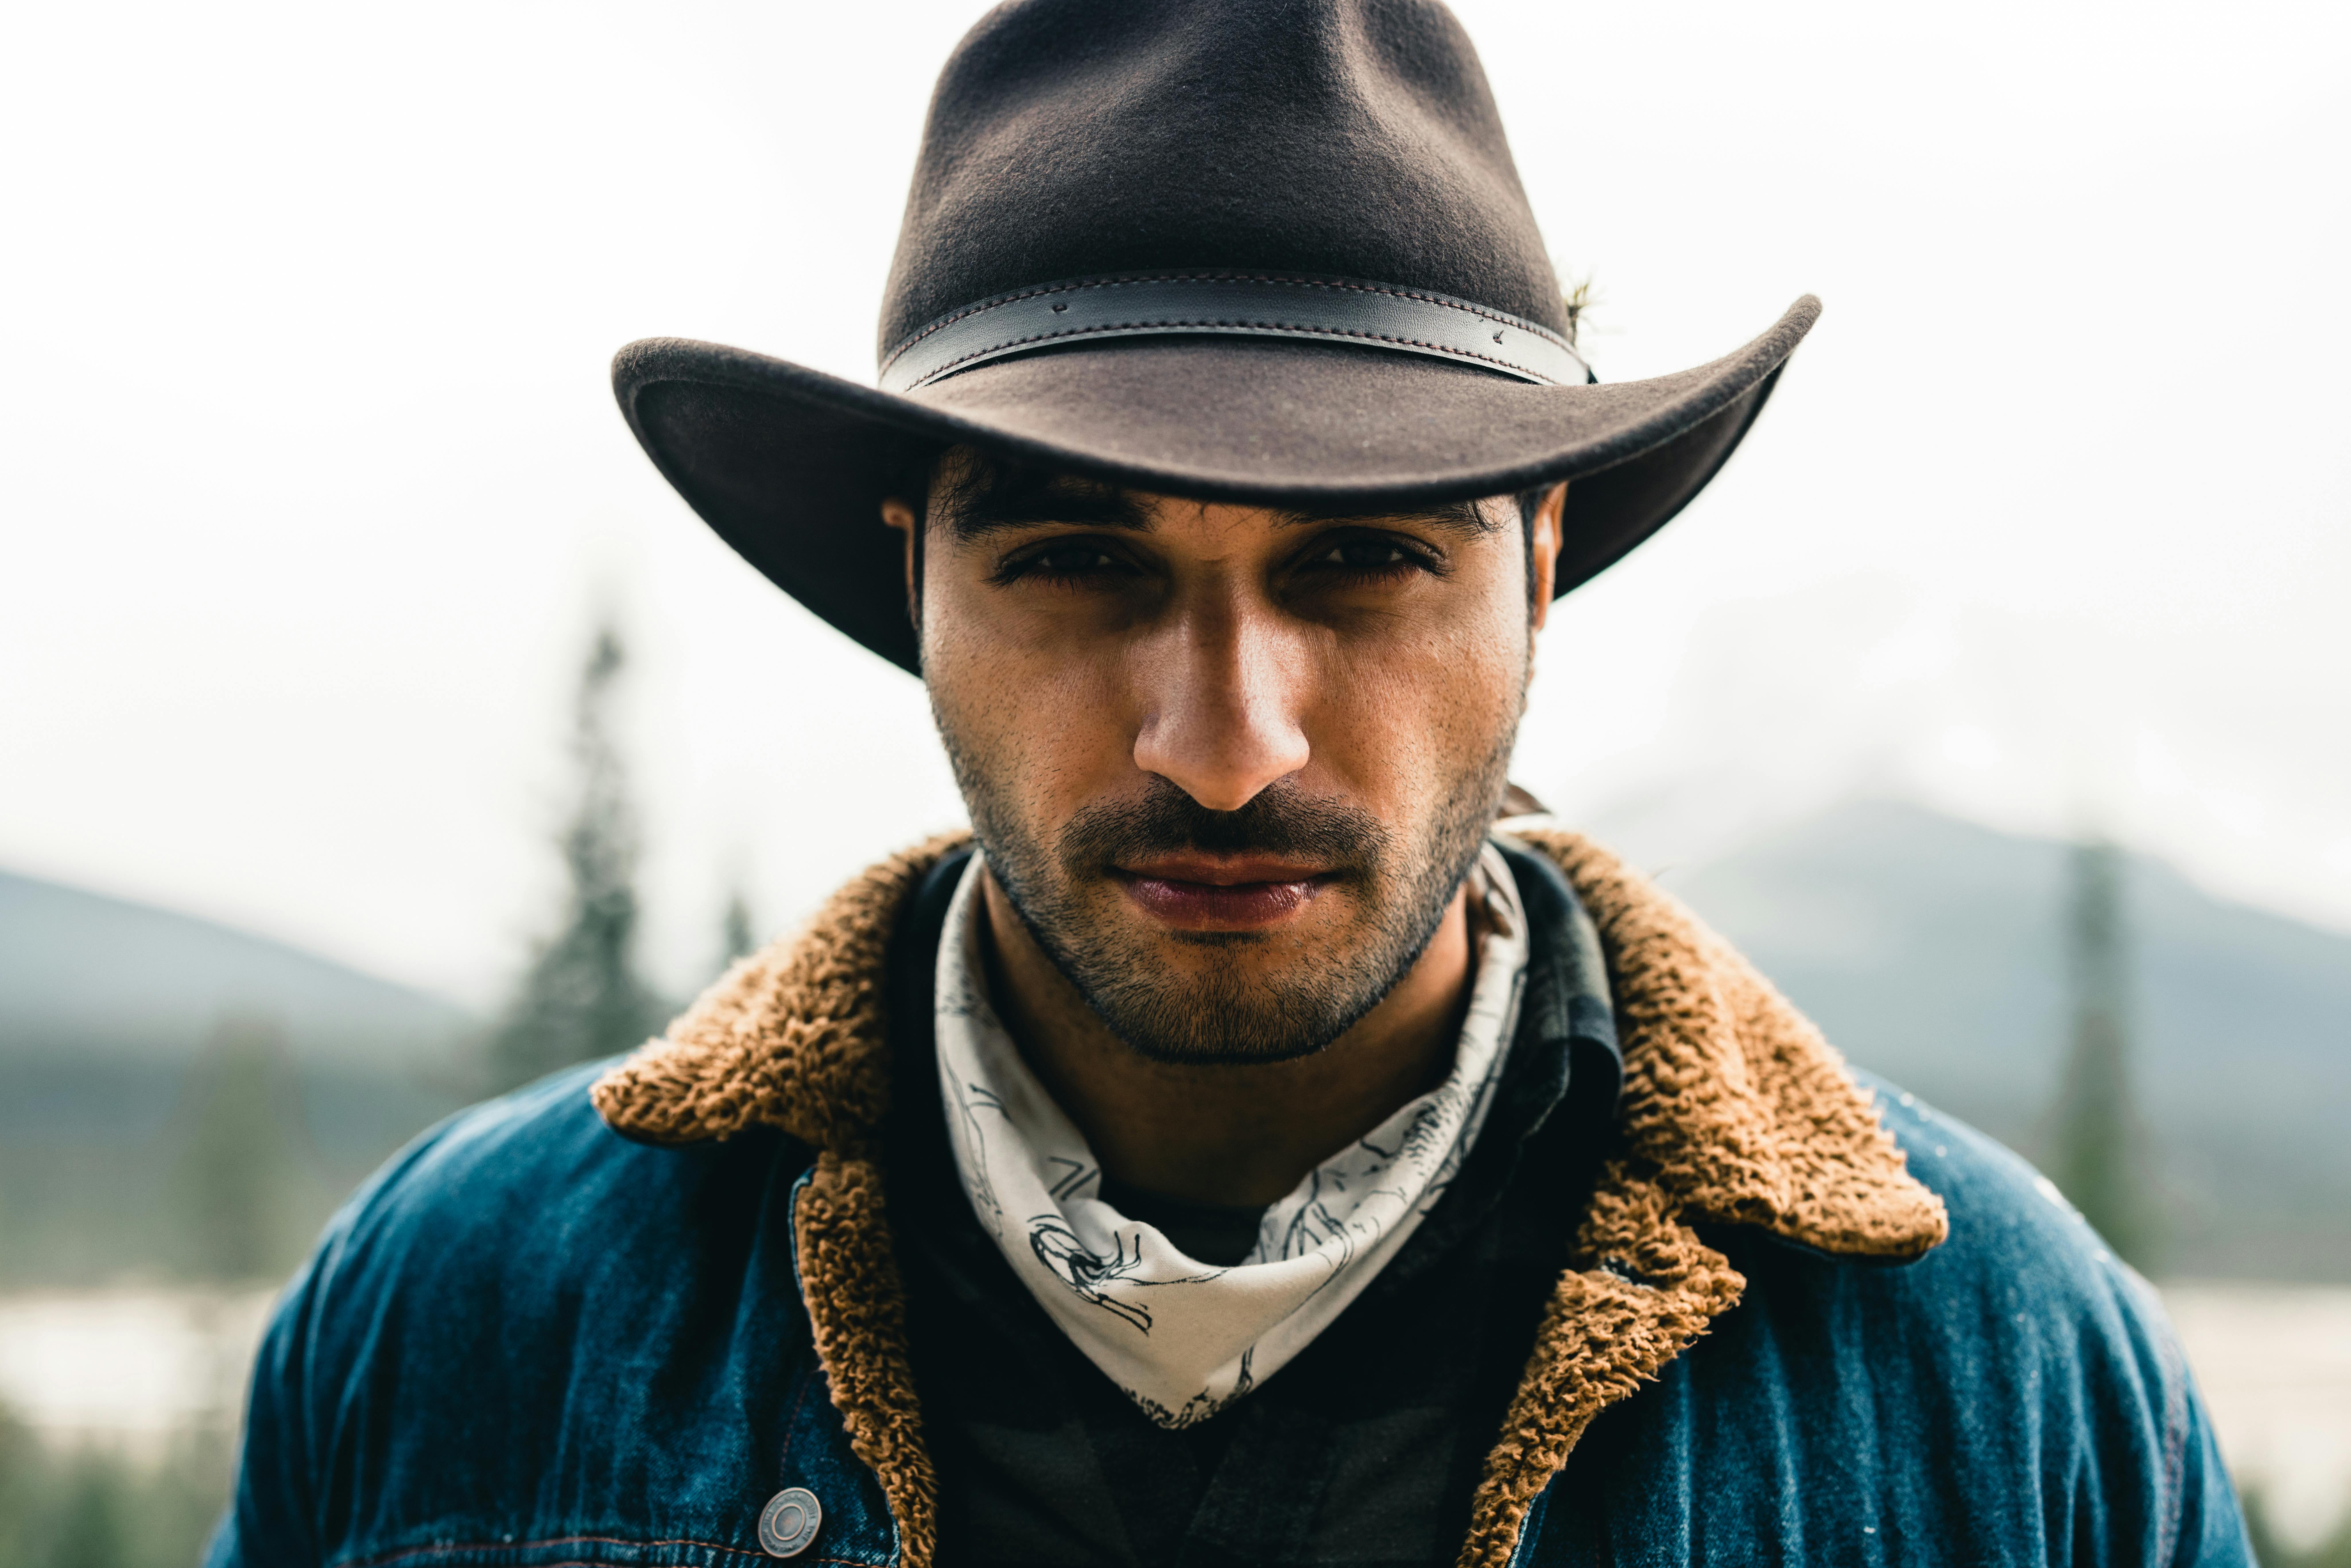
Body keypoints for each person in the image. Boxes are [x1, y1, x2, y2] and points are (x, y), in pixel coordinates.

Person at [209, 2, 2253, 1565]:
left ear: (1539, 564)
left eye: (1363, 556)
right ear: (912, 570)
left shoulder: (2014, 1387)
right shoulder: (463, 1314)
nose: (1226, 742)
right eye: (1080, 559)